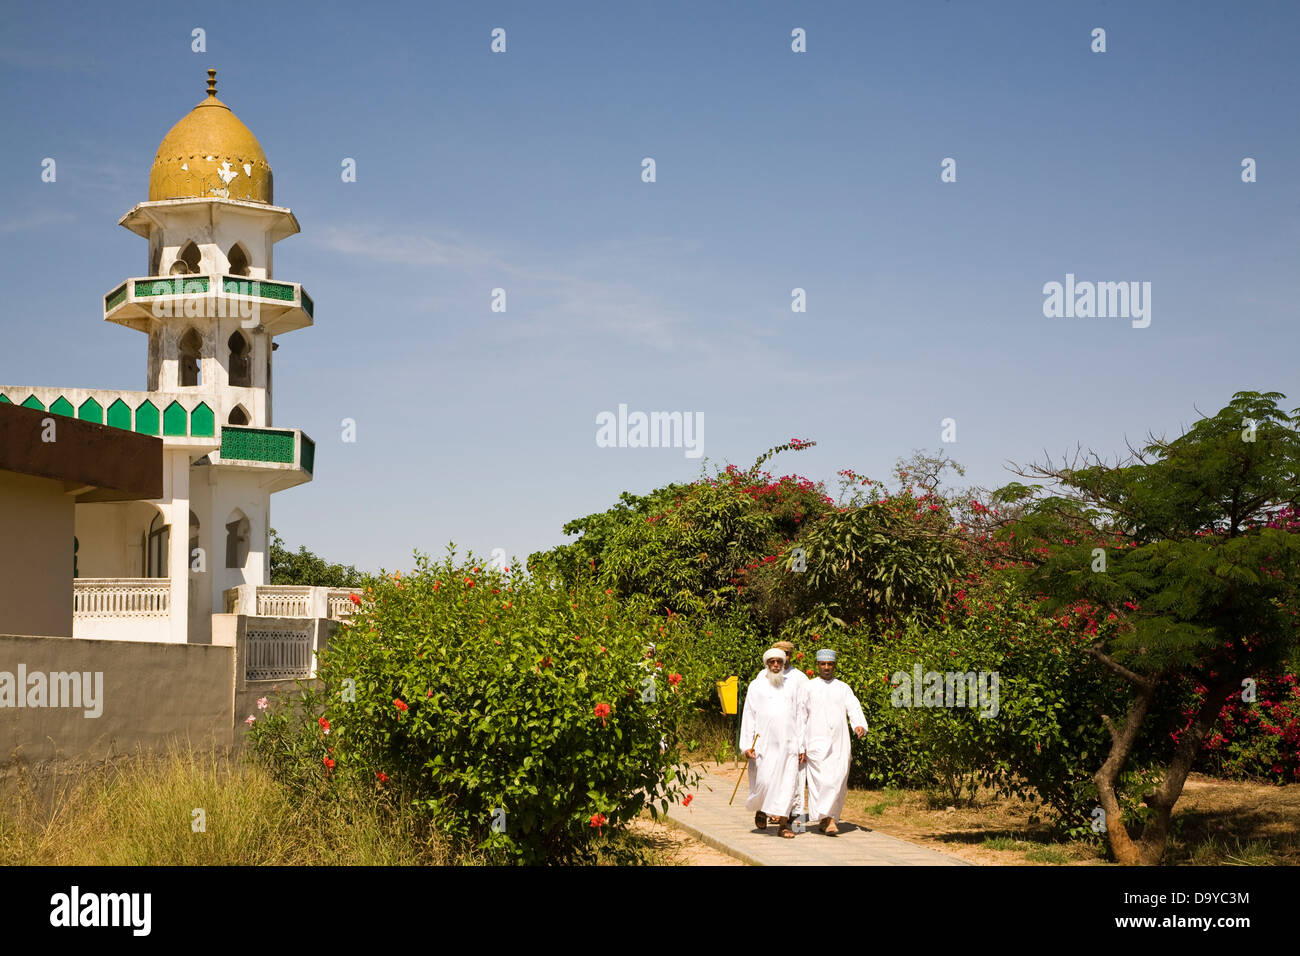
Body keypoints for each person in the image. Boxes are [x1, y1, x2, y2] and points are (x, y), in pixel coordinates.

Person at [738, 647, 808, 838]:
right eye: (772, 662)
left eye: (779, 661)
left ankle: (783, 825)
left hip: (789, 744)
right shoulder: (756, 685)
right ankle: (761, 809)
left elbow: (800, 715)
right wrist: (746, 745)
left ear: (784, 663)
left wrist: (802, 745)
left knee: (787, 784)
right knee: (764, 781)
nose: (776, 665)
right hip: (764, 745)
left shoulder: (792, 685)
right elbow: (749, 715)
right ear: (767, 664)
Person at [804, 649, 867, 835]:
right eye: (822, 664)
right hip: (815, 741)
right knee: (822, 781)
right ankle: (828, 819)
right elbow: (800, 715)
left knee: (838, 779)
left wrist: (859, 725)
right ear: (817, 665)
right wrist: (800, 743)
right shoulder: (808, 687)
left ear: (834, 666)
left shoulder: (843, 687)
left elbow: (854, 707)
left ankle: (829, 818)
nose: (826, 668)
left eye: (829, 664)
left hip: (839, 742)